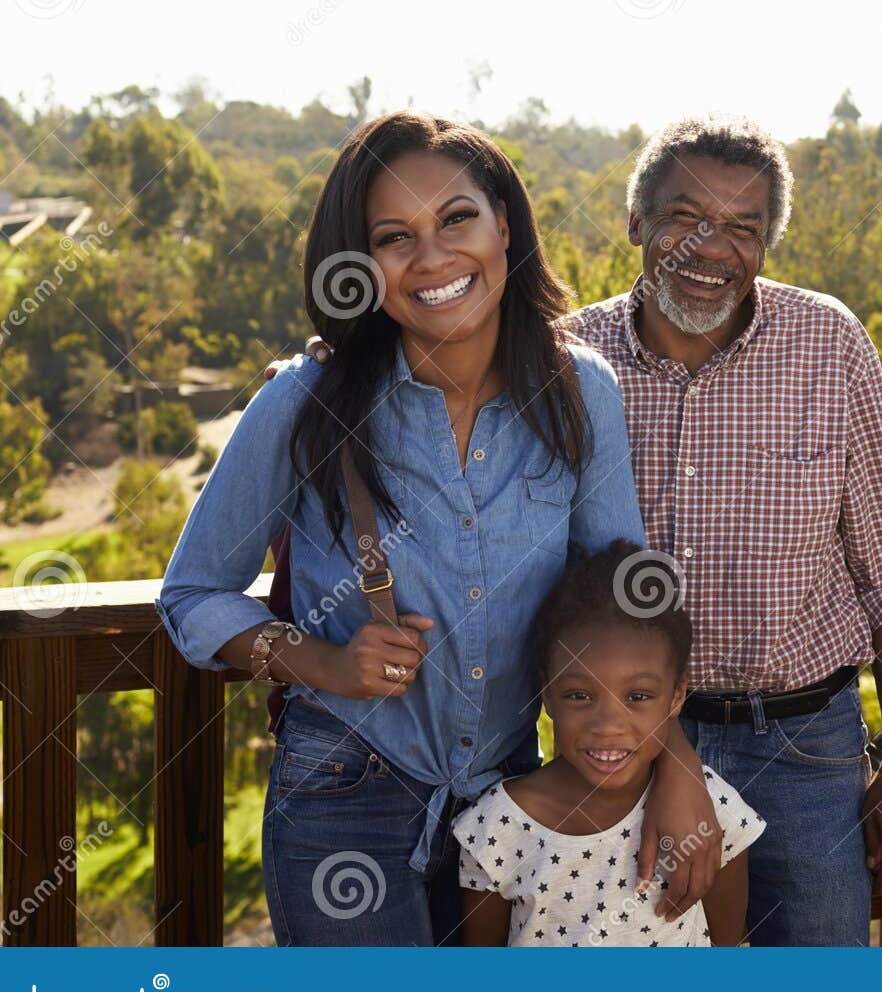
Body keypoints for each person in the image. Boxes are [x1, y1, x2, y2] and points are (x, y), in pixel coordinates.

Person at [158, 111, 717, 945]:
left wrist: (676, 770)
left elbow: (626, 603)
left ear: (502, 222)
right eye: (394, 236)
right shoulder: (305, 402)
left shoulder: (580, 392)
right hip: (340, 797)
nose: (432, 257)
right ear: (360, 263)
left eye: (456, 218)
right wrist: (322, 662)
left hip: (514, 797)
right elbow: (192, 592)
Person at [563, 114, 882, 945]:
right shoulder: (570, 358)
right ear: (636, 223)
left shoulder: (826, 340)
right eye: (685, 219)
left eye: (743, 227)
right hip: (617, 749)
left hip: (806, 747)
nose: (712, 249)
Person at [456, 541, 765, 947]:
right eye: (579, 696)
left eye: (637, 696)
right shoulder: (495, 828)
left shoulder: (715, 812)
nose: (608, 725)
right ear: (547, 695)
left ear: (676, 697)